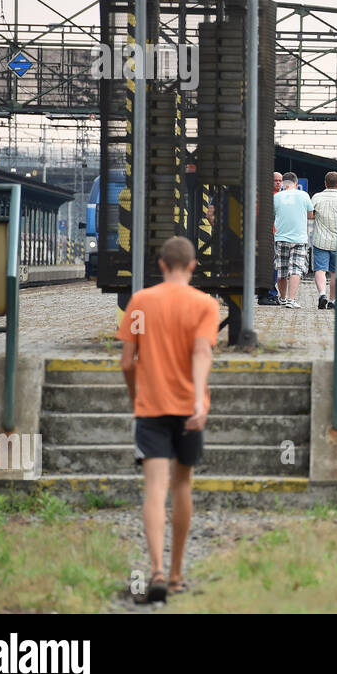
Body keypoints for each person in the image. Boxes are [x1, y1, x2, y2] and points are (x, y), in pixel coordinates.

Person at [118, 236, 219, 603]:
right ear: (193, 266)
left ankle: (156, 571)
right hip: (189, 410)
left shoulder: (141, 302)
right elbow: (201, 352)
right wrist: (197, 403)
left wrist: (136, 397)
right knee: (182, 486)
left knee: (155, 490)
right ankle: (176, 576)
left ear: (161, 265)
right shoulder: (205, 305)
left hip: (151, 408)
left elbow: (127, 362)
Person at [310, 171, 337, 310]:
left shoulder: (316, 197)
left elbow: (310, 214)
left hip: (320, 240)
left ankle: (322, 294)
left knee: (320, 269)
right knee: (335, 272)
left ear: (325, 183)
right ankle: (332, 300)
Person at [273, 171, 313, 308]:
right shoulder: (304, 195)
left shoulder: (277, 197)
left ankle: (282, 299)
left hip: (281, 237)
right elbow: (310, 214)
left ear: (283, 184)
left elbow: (272, 215)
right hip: (299, 238)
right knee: (296, 269)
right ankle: (291, 300)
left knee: (281, 270)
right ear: (296, 183)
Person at [259, 172, 286, 306]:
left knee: (274, 266)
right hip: (268, 235)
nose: (278, 183)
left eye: (280, 180)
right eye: (276, 180)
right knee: (271, 266)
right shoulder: (266, 197)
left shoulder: (281, 197)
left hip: (277, 235)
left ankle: (270, 292)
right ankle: (266, 294)